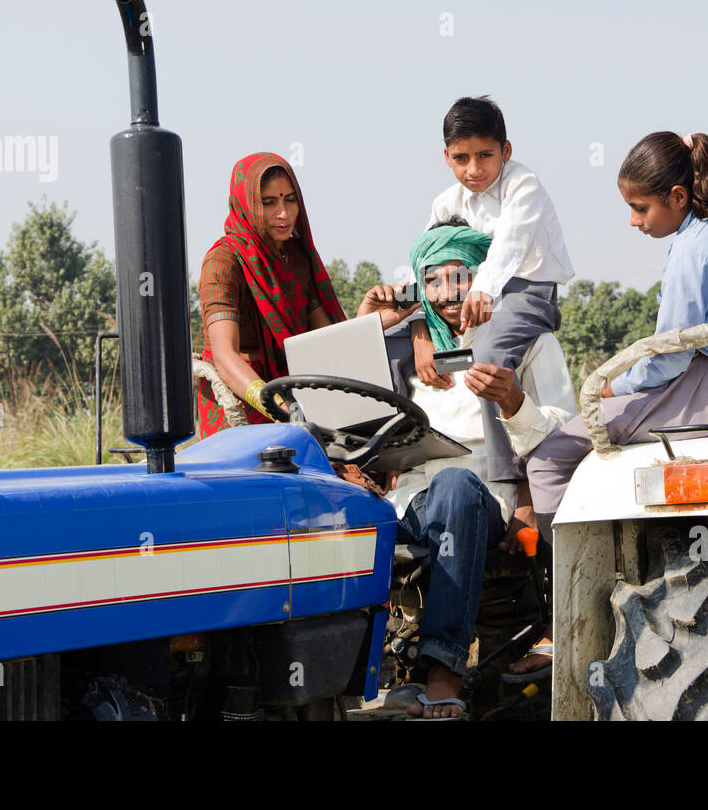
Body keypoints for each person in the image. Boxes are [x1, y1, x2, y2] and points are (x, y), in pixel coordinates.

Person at [514, 130, 708, 676]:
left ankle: (566, 613)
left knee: (546, 457)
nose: (634, 221)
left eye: (639, 208)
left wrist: (612, 384)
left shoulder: (690, 246)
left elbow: (667, 355)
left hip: (697, 391)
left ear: (678, 197)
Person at [357, 221, 578, 719]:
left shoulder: (525, 340)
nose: (446, 293)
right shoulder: (401, 348)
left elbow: (563, 433)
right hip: (411, 499)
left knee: (456, 483)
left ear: (485, 278)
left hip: (486, 496)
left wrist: (515, 401)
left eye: (459, 278)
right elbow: (352, 418)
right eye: (433, 281)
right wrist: (367, 321)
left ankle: (443, 674)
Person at [403, 96, 575, 487]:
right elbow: (428, 262)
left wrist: (481, 288)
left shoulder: (523, 185)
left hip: (526, 293)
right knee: (393, 341)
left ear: (506, 151)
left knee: (487, 358)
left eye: (485, 156)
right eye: (462, 158)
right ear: (446, 156)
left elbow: (509, 244)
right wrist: (418, 326)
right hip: (472, 294)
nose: (474, 169)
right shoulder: (445, 202)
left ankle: (508, 476)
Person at [196, 152, 347, 433]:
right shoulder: (223, 262)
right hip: (240, 410)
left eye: (290, 200)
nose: (284, 214)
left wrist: (372, 319)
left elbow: (325, 340)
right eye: (268, 203)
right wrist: (275, 404)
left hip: (299, 402)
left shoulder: (298, 258)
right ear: (246, 204)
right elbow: (224, 357)